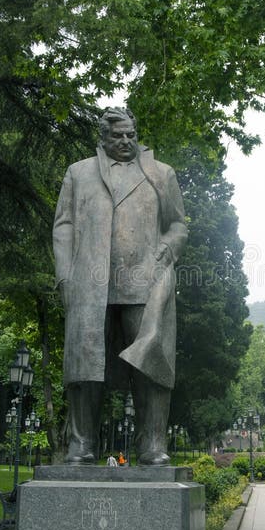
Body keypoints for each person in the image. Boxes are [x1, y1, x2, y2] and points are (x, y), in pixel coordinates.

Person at [53, 106, 188, 466]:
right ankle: (81, 443)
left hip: (146, 280)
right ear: (103, 137)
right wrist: (64, 276)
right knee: (84, 364)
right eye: (118, 136)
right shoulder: (78, 173)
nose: (126, 141)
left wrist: (168, 249)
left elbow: (178, 225)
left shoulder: (161, 174)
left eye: (131, 134)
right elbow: (63, 226)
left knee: (152, 362)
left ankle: (153, 444)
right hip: (89, 282)